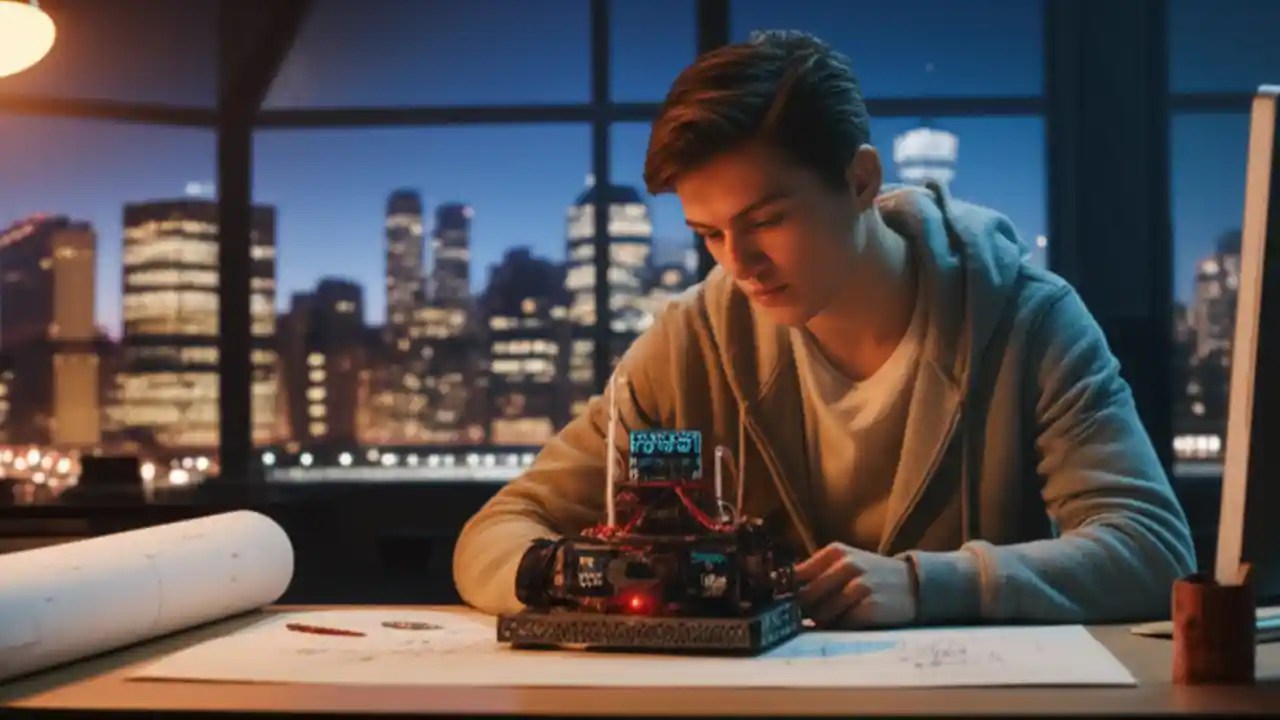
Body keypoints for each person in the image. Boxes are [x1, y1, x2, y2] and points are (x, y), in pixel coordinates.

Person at [453, 30, 1195, 627]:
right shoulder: (690, 342)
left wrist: (928, 586)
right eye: (709, 234)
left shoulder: (1029, 317)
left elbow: (1152, 550)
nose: (739, 264)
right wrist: (587, 579)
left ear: (862, 181)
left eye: (767, 220)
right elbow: (499, 530)